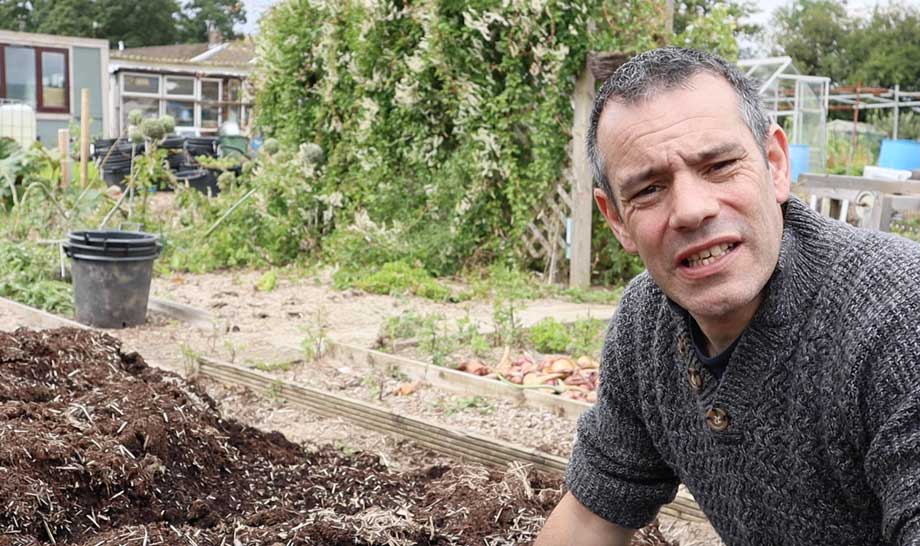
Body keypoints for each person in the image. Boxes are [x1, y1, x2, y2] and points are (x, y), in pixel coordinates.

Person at [534, 47, 920, 546]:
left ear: (775, 164)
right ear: (616, 219)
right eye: (649, 189)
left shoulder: (897, 319)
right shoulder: (645, 326)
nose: (692, 210)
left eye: (718, 165)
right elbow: (590, 520)